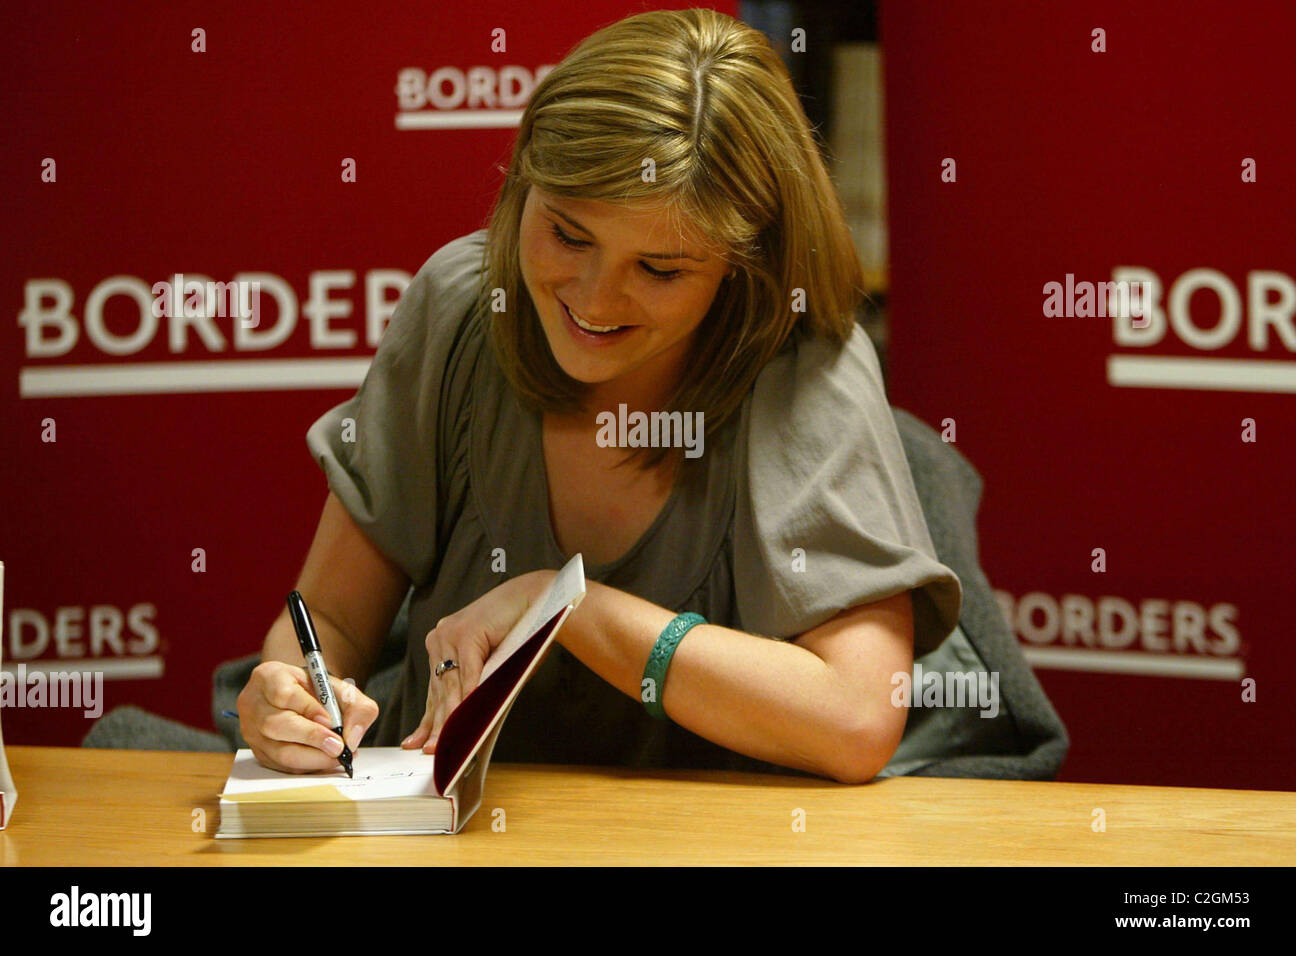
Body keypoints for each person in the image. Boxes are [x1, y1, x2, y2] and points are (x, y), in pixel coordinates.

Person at [235, 8, 964, 783]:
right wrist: (286, 703)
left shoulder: (799, 355)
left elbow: (855, 720)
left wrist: (568, 608)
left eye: (660, 269)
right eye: (569, 235)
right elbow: (332, 621)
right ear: (523, 187)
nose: (593, 297)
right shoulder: (460, 304)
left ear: (743, 267)